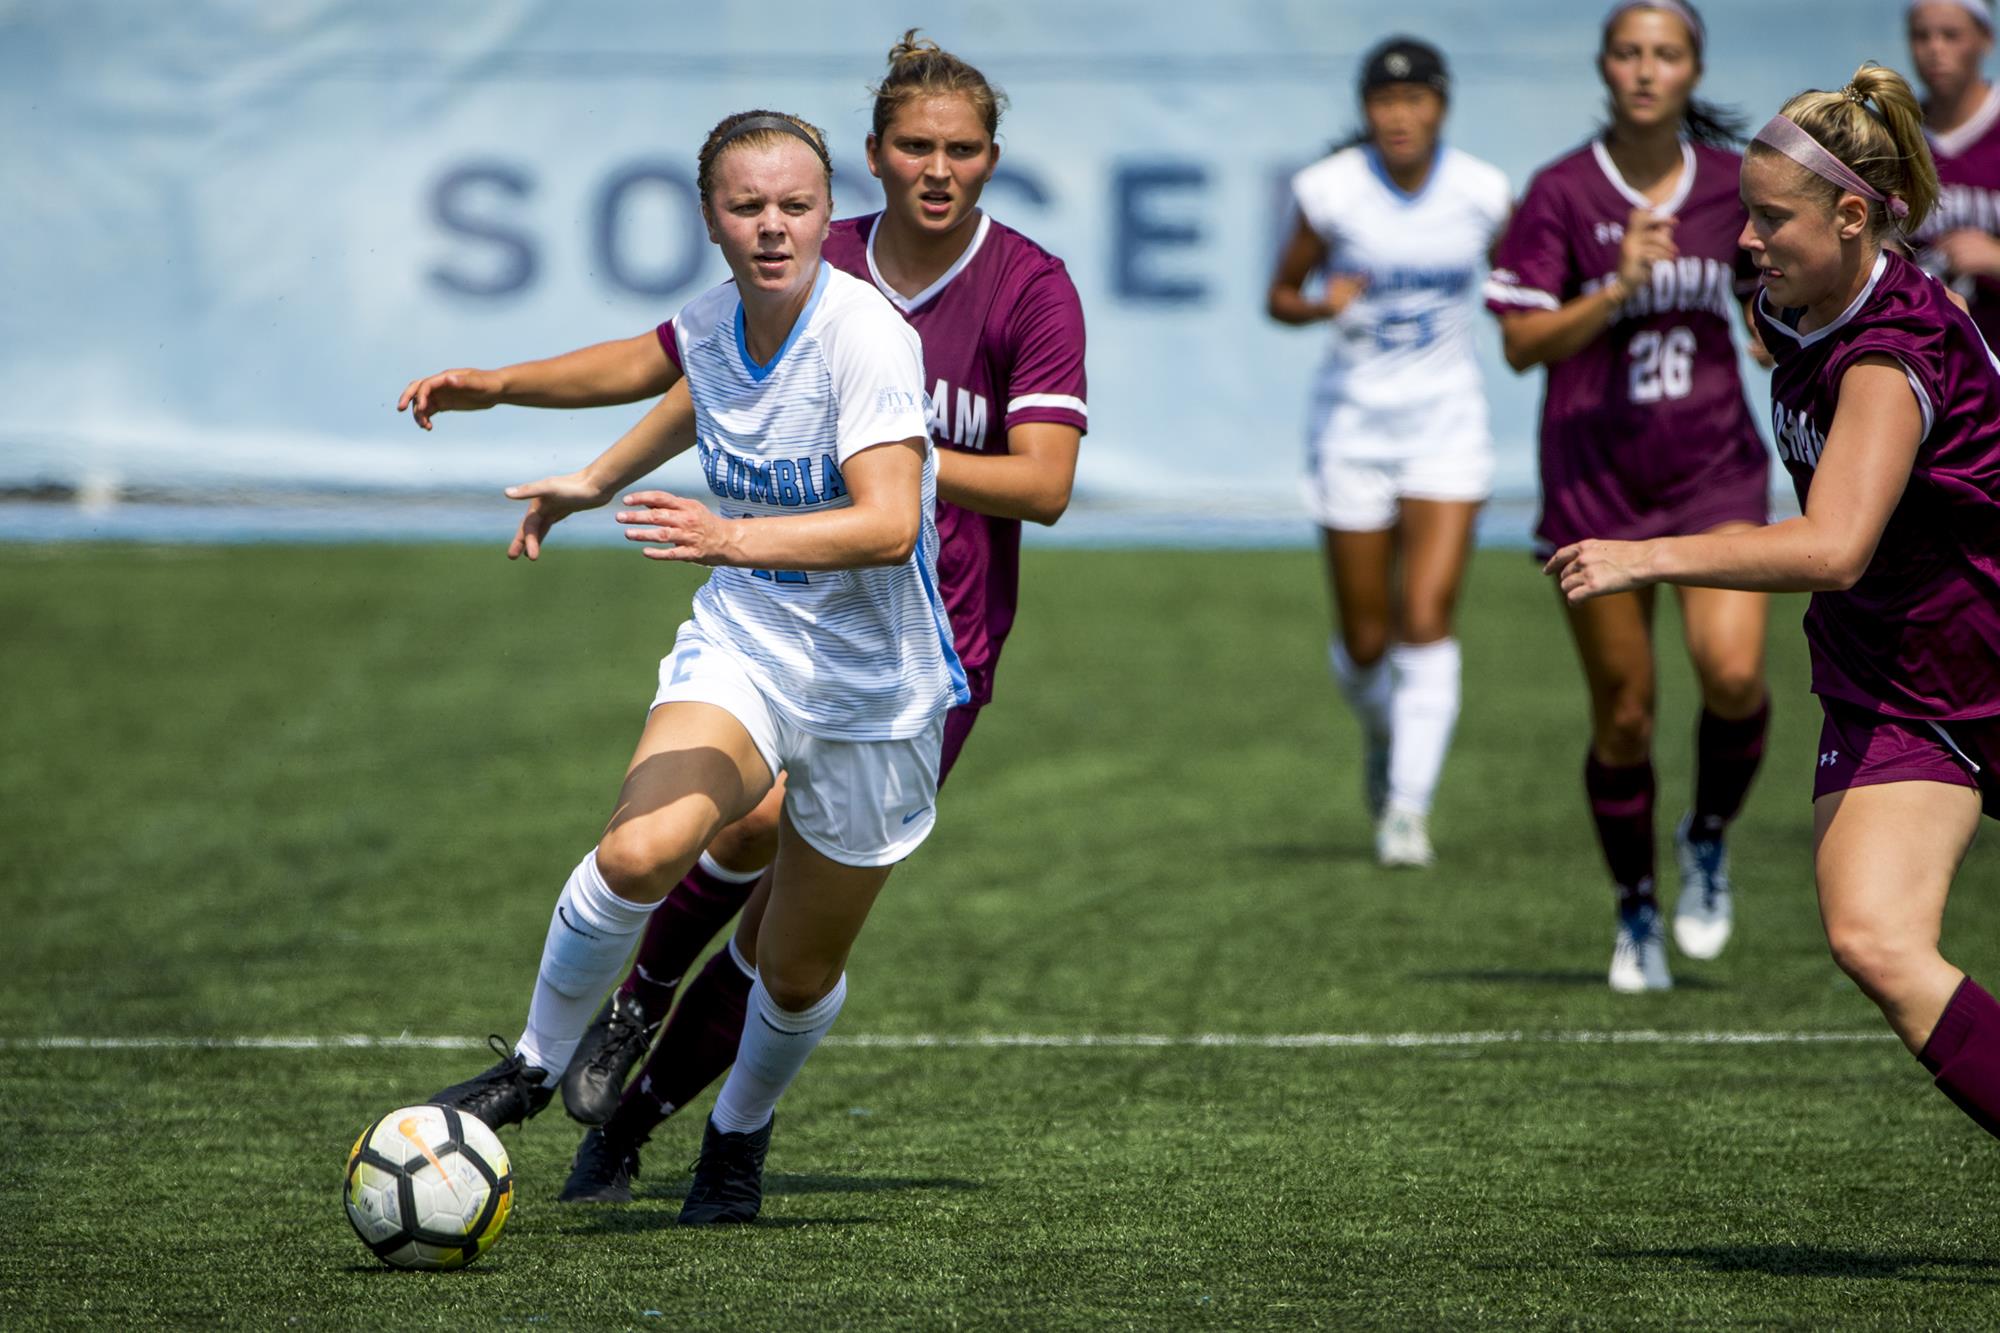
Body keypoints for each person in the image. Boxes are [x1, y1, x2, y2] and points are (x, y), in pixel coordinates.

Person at [400, 107, 969, 1225]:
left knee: (795, 974)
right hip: (749, 637)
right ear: (710, 219)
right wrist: (557, 445)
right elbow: (657, 367)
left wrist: (728, 534)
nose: (772, 228)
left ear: (825, 212)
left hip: (875, 687)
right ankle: (529, 1064)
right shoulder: (717, 319)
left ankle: (736, 1136)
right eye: (746, 207)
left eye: (795, 206)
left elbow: (889, 523)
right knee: (642, 846)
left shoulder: (865, 336)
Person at [1550, 61, 2000, 1149]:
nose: (1743, 242)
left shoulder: (1894, 356)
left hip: (1986, 651)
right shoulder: (1786, 301)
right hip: (1895, 686)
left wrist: (1645, 556)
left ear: (1853, 217)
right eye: (1742, 215)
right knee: (1872, 938)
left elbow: (1834, 546)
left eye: (1768, 219)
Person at [1483, 0, 1772, 992]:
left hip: (1713, 468)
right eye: (1628, 52)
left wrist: (1776, 321)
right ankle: (1634, 907)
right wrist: (1611, 288)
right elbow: (1520, 345)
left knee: (1730, 674)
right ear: (1603, 68)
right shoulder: (1559, 193)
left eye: (1666, 52)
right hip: (1594, 480)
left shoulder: (1736, 187)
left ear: (1693, 70)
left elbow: (1775, 298)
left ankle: (1703, 835)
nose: (1645, 69)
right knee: (1625, 716)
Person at [1267, 37, 1511, 868]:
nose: (1399, 117)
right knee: (1366, 640)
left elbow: (1521, 285)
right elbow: (1280, 294)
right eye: (1383, 102)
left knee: (1426, 618)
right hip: (1353, 425)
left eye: (1415, 101)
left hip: (1448, 424)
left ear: (1441, 105)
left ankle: (1407, 808)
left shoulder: (1483, 192)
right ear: (1365, 110)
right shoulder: (1329, 191)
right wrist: (1317, 304)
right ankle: (1384, 737)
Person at [1909, 0, 2000, 346]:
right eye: (1921, 36)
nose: (1935, 49)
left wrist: (1994, 258)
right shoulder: (1894, 137)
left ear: (1985, 39)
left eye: (1951, 35)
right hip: (1930, 366)